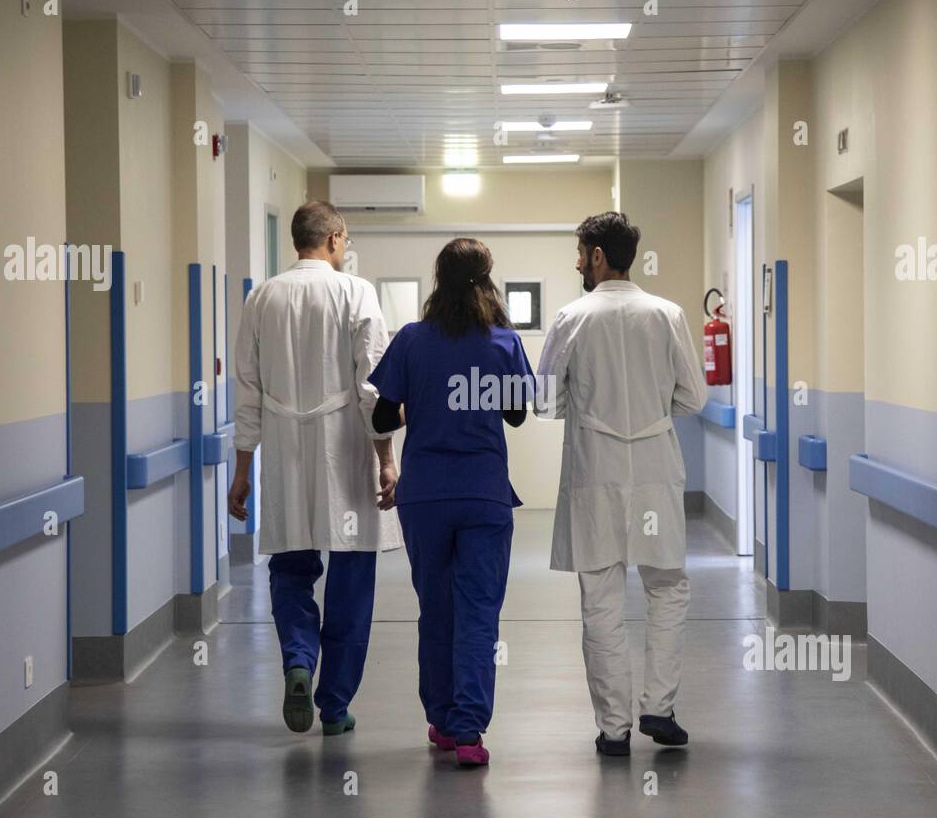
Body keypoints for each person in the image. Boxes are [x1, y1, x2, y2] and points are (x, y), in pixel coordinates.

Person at [535, 212, 707, 757]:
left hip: (595, 474)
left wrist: (585, 411)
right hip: (655, 470)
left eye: (581, 252)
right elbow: (694, 397)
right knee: (667, 587)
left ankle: (614, 730)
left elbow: (543, 399)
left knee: (601, 599)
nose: (577, 262)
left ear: (598, 256)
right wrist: (654, 413)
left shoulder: (571, 317)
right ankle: (659, 706)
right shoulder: (668, 314)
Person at [229, 201, 399, 737]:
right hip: (344, 450)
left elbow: (247, 388)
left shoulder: (262, 297)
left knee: (290, 569)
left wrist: (242, 469)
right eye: (343, 240)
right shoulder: (356, 292)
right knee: (351, 577)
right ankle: (334, 705)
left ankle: (299, 661)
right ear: (334, 239)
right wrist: (386, 458)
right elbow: (372, 385)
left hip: (283, 451)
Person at [367, 238, 533, 767]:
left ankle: (440, 718)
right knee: (479, 613)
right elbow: (516, 416)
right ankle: (468, 733)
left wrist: (423, 403)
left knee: (436, 609)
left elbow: (380, 418)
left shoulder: (412, 340)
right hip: (484, 494)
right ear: (487, 281)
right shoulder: (503, 342)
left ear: (438, 280)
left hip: (426, 498)